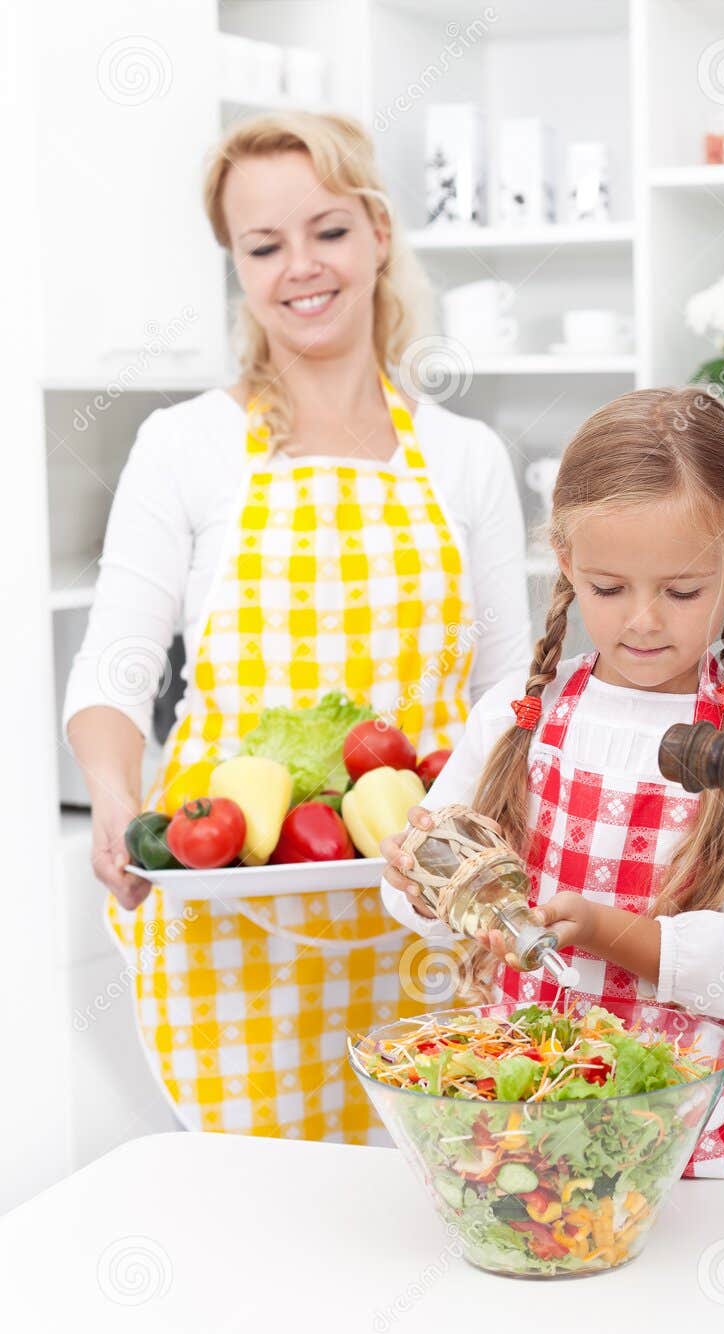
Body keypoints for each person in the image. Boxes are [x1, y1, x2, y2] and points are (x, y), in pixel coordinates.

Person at [64, 112, 530, 1142]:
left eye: (325, 230)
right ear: (236, 267)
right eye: (262, 247)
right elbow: (116, 663)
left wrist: (467, 827)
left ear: (375, 233)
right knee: (266, 1221)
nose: (299, 269)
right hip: (233, 909)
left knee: (439, 1188)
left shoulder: (462, 456)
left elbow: (508, 686)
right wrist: (110, 792)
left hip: (426, 901)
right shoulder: (186, 443)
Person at [382, 388, 724, 1177]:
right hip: (517, 1135)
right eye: (609, 588)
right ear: (567, 561)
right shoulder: (519, 714)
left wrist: (615, 935)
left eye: (681, 591)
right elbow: (416, 880)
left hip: (685, 1150)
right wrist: (420, 885)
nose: (643, 621)